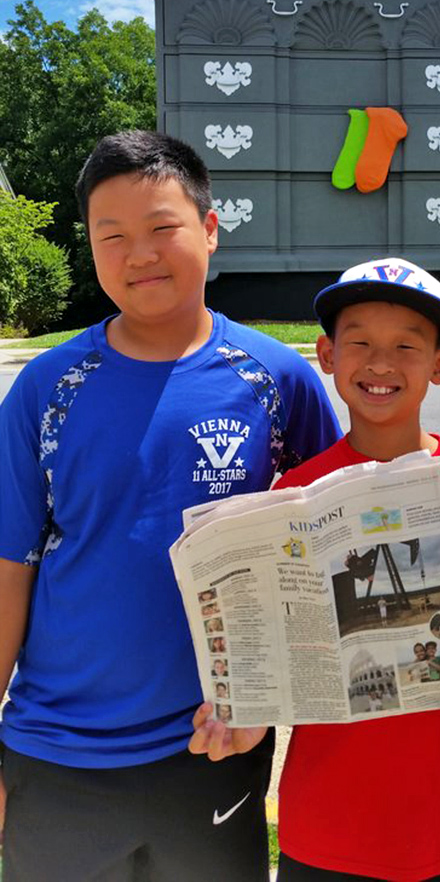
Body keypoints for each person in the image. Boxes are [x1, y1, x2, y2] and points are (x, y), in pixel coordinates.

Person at [0, 130, 340, 882]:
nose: (138, 254)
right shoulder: (45, 389)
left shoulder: (276, 381)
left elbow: (323, 563)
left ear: (211, 230)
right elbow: (8, 572)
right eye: (111, 235)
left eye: (162, 228)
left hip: (212, 746)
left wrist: (266, 703)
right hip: (54, 753)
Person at [191, 255, 440, 881]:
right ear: (327, 355)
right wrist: (243, 710)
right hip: (323, 821)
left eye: (407, 346)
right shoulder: (291, 496)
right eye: (360, 344)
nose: (380, 364)